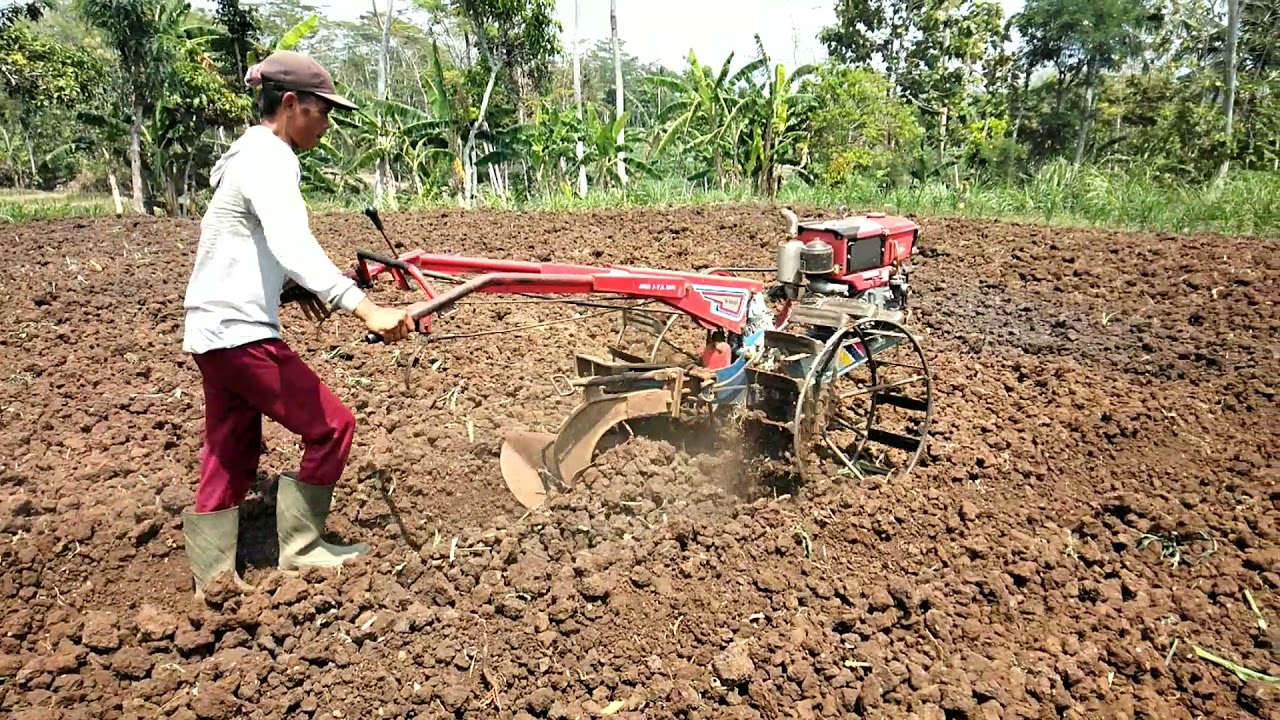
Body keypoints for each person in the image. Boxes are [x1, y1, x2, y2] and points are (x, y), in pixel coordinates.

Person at [179, 50, 412, 600]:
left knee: (230, 446)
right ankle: (303, 548)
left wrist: (290, 287)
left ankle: (212, 577)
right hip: (239, 332)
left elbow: (252, 245)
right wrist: (364, 306)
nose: (326, 124)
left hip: (212, 331)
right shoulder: (270, 157)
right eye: (322, 111)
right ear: (291, 104)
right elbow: (291, 243)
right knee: (332, 426)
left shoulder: (245, 155)